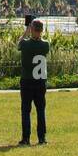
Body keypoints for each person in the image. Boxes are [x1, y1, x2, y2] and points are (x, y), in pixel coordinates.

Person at [18, 18, 50, 146]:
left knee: (26, 110)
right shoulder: (45, 45)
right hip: (40, 81)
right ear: (42, 30)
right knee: (41, 110)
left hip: (27, 81)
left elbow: (18, 44)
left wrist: (25, 32)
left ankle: (26, 138)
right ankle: (41, 138)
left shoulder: (25, 44)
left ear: (32, 30)